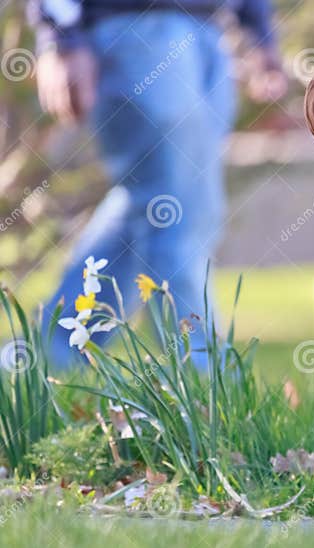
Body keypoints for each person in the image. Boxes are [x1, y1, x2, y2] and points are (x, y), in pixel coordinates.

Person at [28, 0, 287, 367]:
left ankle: (49, 357)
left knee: (148, 204)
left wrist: (258, 29)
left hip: (209, 29)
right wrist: (61, 35)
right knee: (182, 210)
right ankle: (200, 384)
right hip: (135, 27)